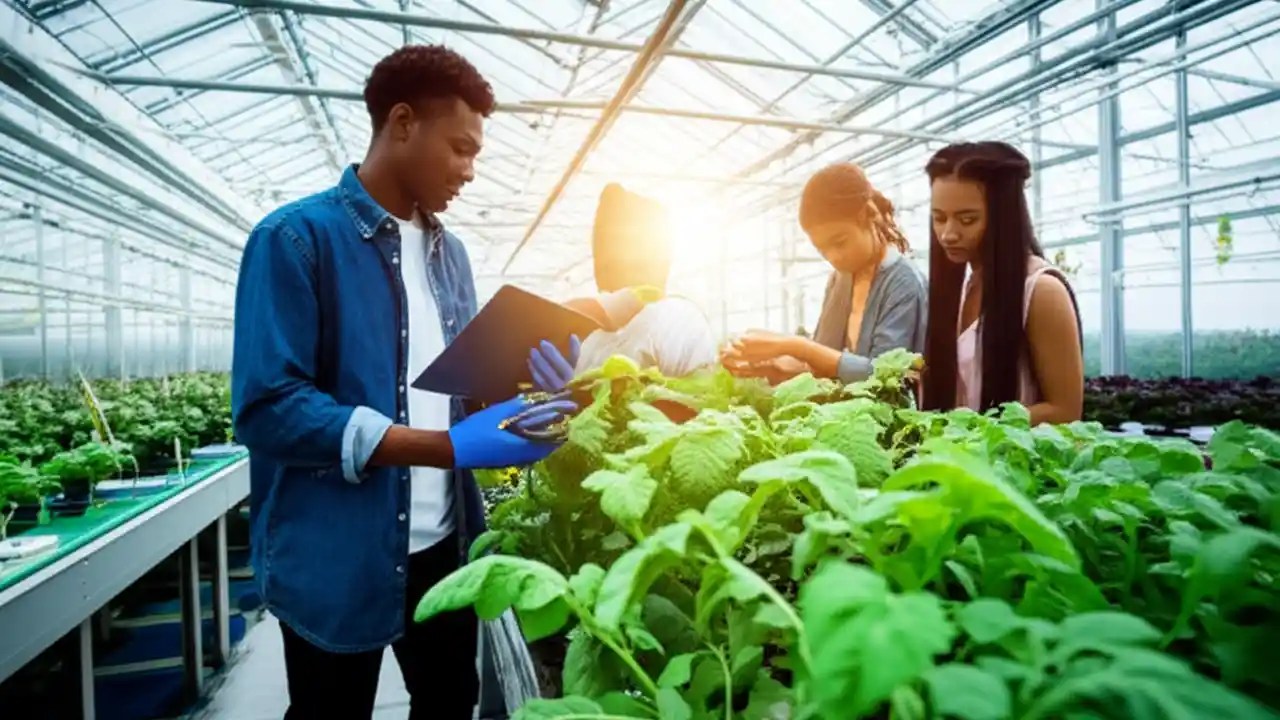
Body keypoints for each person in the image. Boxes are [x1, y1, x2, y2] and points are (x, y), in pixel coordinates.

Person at [229, 45, 578, 720]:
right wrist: (445, 448)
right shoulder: (296, 240)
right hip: (338, 555)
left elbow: (461, 395)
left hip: (443, 547)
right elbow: (269, 408)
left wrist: (530, 392)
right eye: (460, 148)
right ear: (402, 122)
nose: (470, 172)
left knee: (449, 700)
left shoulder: (453, 255)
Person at [920, 141, 1084, 425]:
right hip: (963, 461)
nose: (948, 234)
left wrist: (972, 429)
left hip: (1015, 464)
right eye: (939, 218)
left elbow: (1065, 411)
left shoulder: (1041, 291)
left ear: (1003, 217)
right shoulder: (963, 287)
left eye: (967, 220)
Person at [720, 162, 928, 385]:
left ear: (865, 217)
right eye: (822, 249)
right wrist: (767, 363)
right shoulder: (841, 279)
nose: (833, 257)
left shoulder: (903, 283)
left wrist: (794, 346)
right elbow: (825, 360)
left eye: (839, 242)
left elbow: (884, 377)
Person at [548, 182, 719, 380]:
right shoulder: (590, 334)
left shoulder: (676, 322)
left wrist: (581, 401)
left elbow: (694, 404)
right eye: (603, 262)